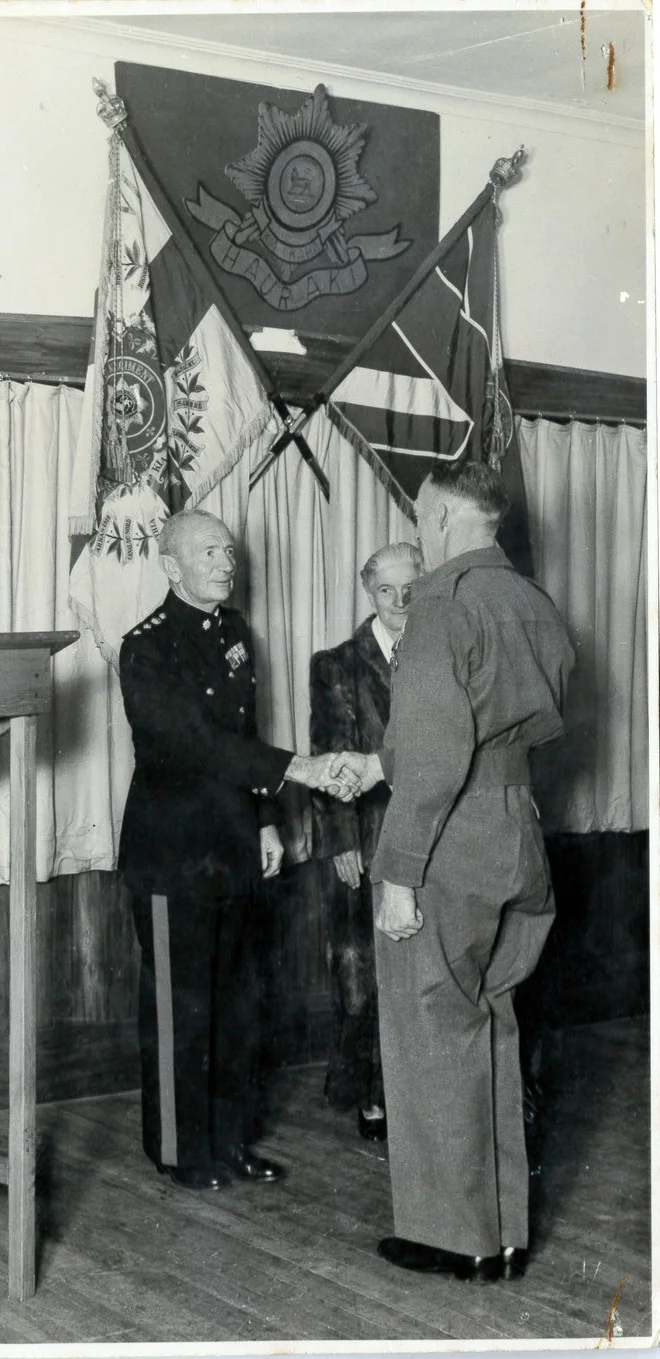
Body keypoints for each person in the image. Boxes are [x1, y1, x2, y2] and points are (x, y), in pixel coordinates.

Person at [334, 462, 574, 1281]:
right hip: (519, 832)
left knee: (432, 1031)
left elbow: (436, 752)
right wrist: (380, 762)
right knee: (495, 1025)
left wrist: (397, 869)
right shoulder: (531, 601)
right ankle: (504, 1231)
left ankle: (451, 1236)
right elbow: (521, 720)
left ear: (438, 518)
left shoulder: (440, 601)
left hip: (447, 839)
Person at [118, 509, 355, 1191]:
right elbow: (197, 745)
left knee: (235, 1004)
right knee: (180, 1007)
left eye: (228, 550)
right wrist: (300, 769)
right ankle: (180, 1149)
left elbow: (241, 737)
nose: (226, 561)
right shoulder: (149, 646)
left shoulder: (235, 634)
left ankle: (229, 1141)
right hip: (172, 853)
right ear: (170, 566)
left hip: (231, 842)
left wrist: (264, 825)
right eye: (209, 552)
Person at [309, 542, 422, 1141]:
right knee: (362, 972)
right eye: (387, 591)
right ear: (367, 591)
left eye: (411, 589)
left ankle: (414, 1090)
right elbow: (329, 756)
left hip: (431, 830)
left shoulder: (440, 650)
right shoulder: (337, 664)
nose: (401, 602)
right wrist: (340, 839)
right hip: (369, 834)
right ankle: (372, 1095)